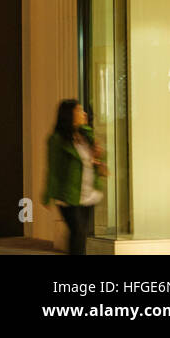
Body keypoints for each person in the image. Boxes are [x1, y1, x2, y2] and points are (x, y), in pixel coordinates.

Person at [44, 99, 106, 256]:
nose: (83, 114)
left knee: (81, 233)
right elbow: (53, 169)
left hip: (89, 194)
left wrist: (99, 159)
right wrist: (47, 195)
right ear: (68, 115)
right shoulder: (57, 140)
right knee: (78, 232)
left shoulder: (86, 135)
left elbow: (96, 158)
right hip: (69, 196)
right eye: (78, 111)